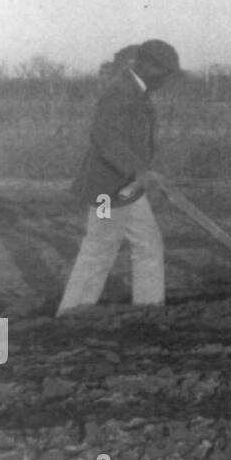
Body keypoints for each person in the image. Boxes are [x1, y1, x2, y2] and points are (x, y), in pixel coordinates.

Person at [56, 39, 182, 316]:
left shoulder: (137, 91)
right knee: (99, 250)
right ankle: (72, 314)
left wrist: (143, 172)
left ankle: (149, 310)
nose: (167, 80)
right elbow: (107, 140)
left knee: (148, 246)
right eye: (165, 73)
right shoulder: (119, 93)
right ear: (149, 66)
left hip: (127, 188)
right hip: (108, 189)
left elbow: (132, 140)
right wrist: (138, 171)